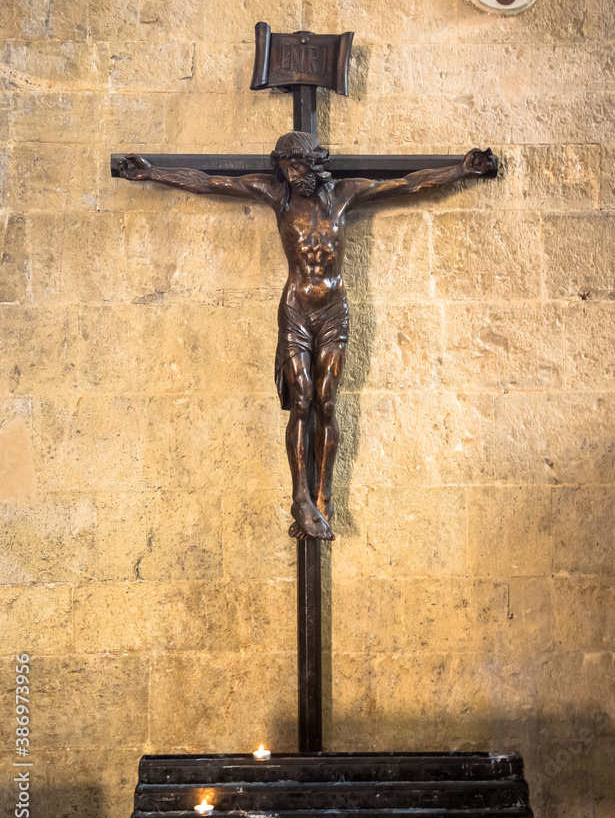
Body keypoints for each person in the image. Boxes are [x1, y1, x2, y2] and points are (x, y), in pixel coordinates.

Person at [117, 133, 496, 541]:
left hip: (333, 311)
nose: (293, 176)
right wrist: (154, 172)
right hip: (296, 310)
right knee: (301, 400)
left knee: (327, 401)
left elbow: (405, 184)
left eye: (298, 167)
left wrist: (461, 170)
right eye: (286, 169)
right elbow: (210, 183)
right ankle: (301, 498)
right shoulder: (278, 197)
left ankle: (324, 498)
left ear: (314, 163)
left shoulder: (344, 195)